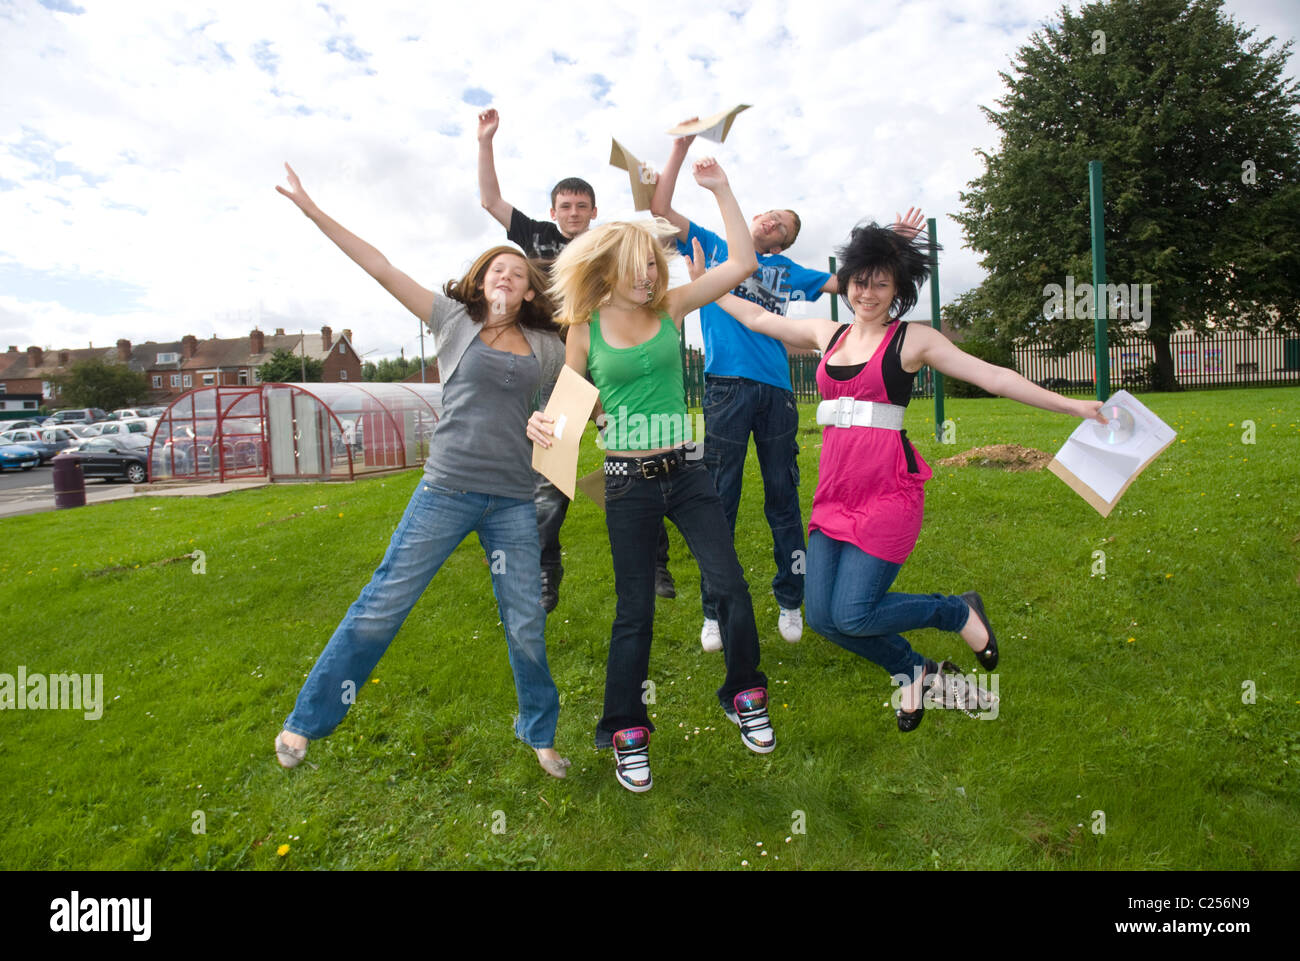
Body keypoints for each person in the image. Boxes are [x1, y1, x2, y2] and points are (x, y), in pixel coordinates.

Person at [684, 223, 1106, 730]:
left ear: (898, 291)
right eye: (860, 281)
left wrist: (1074, 406)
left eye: (881, 284)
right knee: (822, 617)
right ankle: (915, 672)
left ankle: (956, 613)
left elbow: (993, 377)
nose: (867, 293)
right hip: (834, 496)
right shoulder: (828, 335)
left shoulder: (913, 340)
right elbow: (755, 317)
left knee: (855, 614)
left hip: (888, 493)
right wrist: (710, 284)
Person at [272, 163, 571, 778]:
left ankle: (539, 733)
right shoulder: (452, 322)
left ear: (531, 291)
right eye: (497, 270)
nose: (507, 278)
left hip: (514, 500)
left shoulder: (547, 348)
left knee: (524, 623)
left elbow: (564, 406)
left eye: (518, 273)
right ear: (482, 281)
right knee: (383, 604)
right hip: (447, 490)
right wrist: (312, 210)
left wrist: (551, 427)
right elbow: (380, 265)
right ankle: (307, 721)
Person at [530, 157, 774, 792]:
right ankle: (625, 728)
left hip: (687, 472)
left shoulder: (670, 307)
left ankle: (745, 692)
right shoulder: (584, 326)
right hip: (627, 482)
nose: (650, 276)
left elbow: (741, 263)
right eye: (640, 266)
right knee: (634, 609)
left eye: (654, 266)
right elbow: (568, 400)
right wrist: (544, 431)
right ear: (611, 268)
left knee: (729, 585)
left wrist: (721, 189)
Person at [651, 120, 926, 652]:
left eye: (785, 226)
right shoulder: (713, 242)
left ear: (787, 242)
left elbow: (857, 282)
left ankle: (792, 598)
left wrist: (893, 247)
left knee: (783, 497)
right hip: (726, 388)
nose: (775, 223)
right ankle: (715, 611)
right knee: (720, 498)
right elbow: (661, 205)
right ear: (754, 218)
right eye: (772, 215)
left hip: (775, 392)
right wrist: (681, 144)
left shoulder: (790, 270)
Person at [476, 107, 677, 610]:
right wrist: (486, 141)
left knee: (639, 452)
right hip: (556, 363)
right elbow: (490, 200)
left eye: (581, 205)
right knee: (551, 470)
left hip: (605, 354)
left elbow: (657, 234)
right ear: (554, 208)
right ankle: (546, 570)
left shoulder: (607, 244)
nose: (572, 212)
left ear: (592, 211)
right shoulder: (536, 236)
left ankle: (655, 564)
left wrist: (647, 182)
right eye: (565, 205)